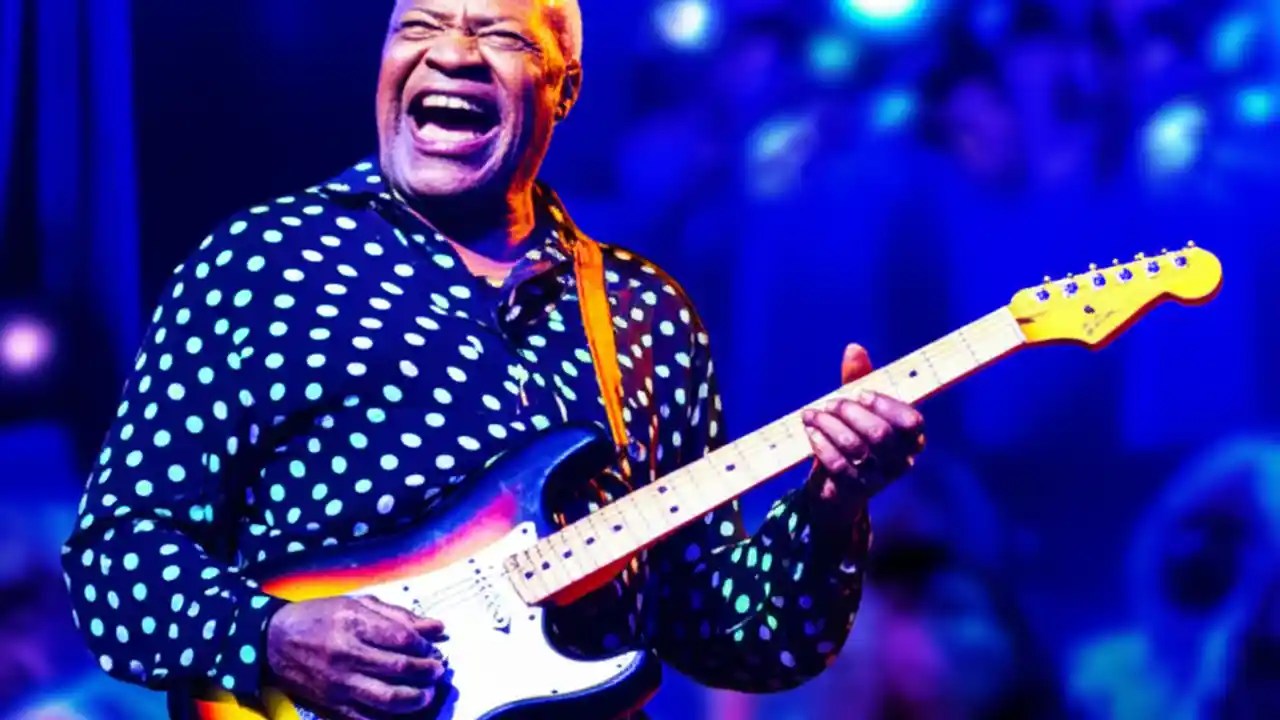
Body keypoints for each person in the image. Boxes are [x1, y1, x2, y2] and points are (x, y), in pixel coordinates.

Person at [59, 1, 926, 718]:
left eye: (503, 35)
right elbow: (113, 553)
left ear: (566, 86)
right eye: (420, 27)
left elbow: (744, 637)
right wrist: (271, 638)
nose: (456, 54)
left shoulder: (644, 313)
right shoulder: (262, 263)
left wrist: (833, 497)